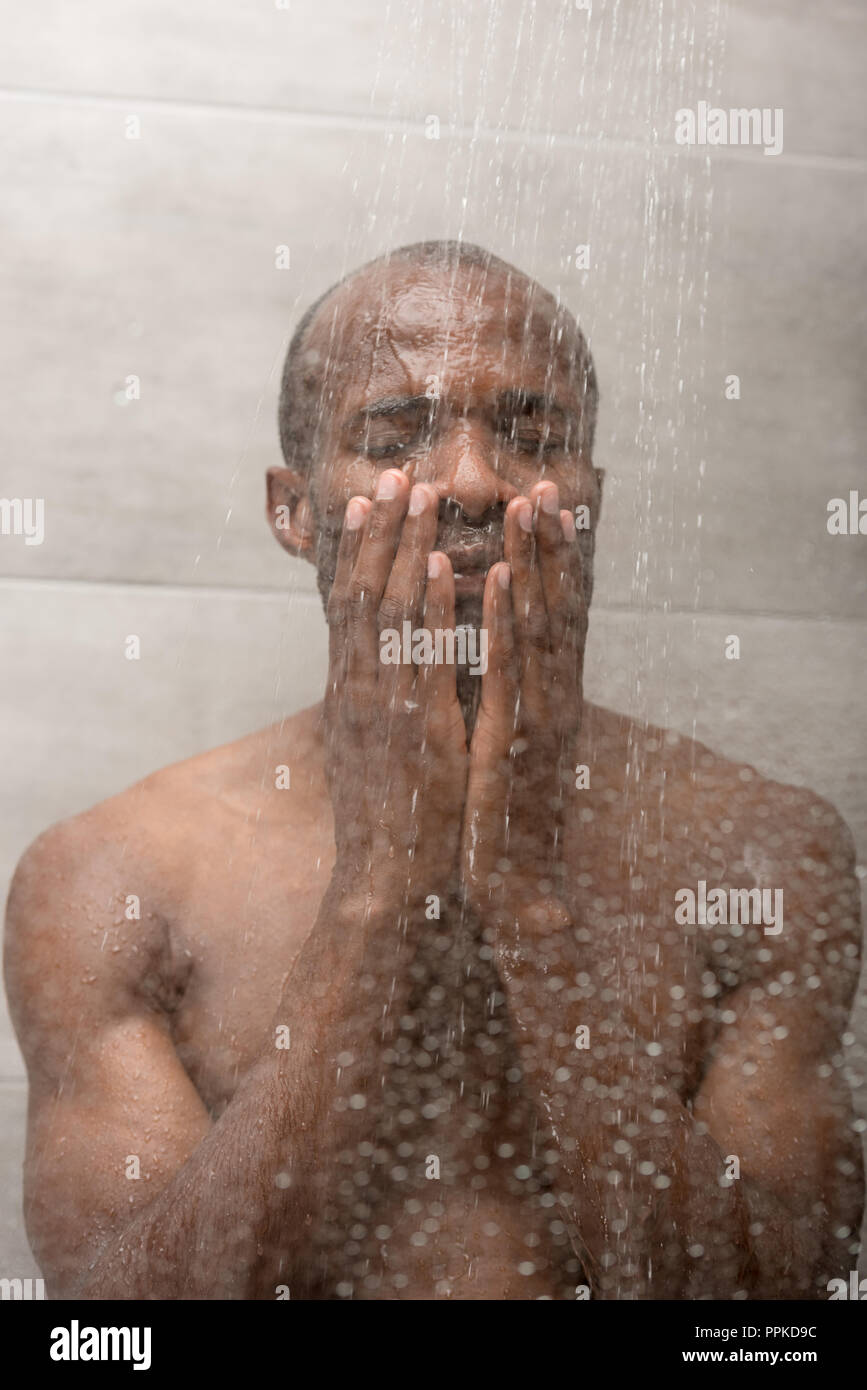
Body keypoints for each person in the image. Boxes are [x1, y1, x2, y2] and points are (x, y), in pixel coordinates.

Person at [4, 241, 862, 1300]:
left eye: (531, 435)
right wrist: (378, 886)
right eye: (393, 438)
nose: (470, 480)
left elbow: (772, 1315)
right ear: (293, 507)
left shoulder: (766, 849)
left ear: (590, 496)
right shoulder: (109, 875)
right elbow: (117, 1330)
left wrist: (527, 899)